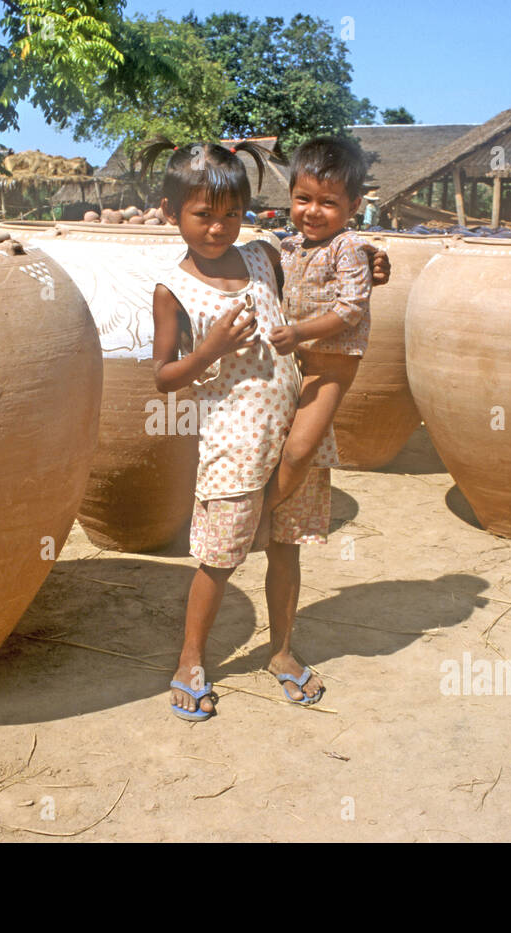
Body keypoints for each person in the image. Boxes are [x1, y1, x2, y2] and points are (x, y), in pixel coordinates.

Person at [143, 137, 388, 720]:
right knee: (219, 559)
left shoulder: (262, 255)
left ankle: (280, 652)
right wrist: (211, 349)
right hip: (234, 442)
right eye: (203, 214)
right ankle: (190, 660)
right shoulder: (171, 288)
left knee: (286, 549)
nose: (218, 227)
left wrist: (372, 254)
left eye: (232, 214)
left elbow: (322, 252)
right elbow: (164, 377)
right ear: (170, 212)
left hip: (294, 421)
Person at [256, 136, 372, 565]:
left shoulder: (350, 248)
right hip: (297, 364)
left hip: (333, 365)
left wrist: (299, 332)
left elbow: (351, 309)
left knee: (301, 449)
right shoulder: (290, 247)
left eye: (328, 202)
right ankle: (268, 514)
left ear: (353, 206)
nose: (312, 211)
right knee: (277, 448)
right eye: (303, 198)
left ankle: (259, 514)